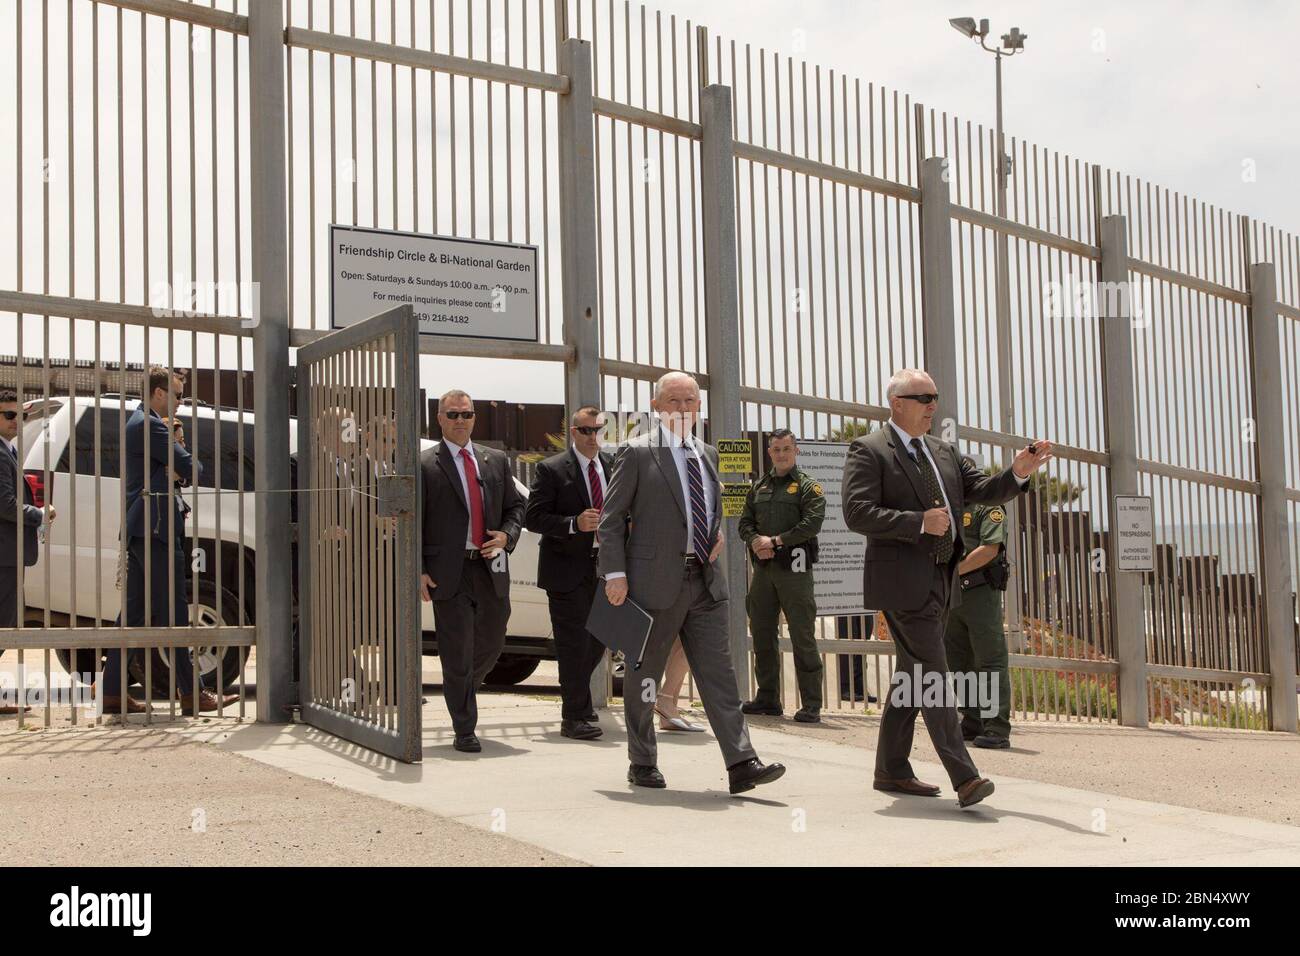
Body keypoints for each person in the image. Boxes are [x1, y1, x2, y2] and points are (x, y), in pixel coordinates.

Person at [840, 368, 1051, 808]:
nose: (933, 404)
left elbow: (983, 490)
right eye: (924, 397)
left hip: (943, 581)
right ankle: (965, 777)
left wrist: (1017, 472)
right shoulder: (870, 450)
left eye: (936, 396)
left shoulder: (945, 451)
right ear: (897, 402)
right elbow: (857, 512)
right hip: (901, 583)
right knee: (934, 675)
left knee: (912, 678)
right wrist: (916, 522)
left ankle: (891, 769)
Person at [598, 370, 786, 794]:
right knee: (645, 675)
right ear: (657, 407)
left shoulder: (708, 454)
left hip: (704, 581)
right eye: (674, 401)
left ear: (699, 407)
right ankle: (642, 761)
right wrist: (615, 575)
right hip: (650, 583)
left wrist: (713, 533)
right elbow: (610, 522)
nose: (683, 409)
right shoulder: (636, 453)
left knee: (719, 674)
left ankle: (742, 763)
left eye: (690, 402)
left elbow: (704, 508)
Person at [100, 368, 235, 715]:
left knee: (133, 613)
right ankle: (192, 693)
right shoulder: (151, 426)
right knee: (174, 611)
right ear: (158, 393)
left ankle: (112, 691)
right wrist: (177, 453)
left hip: (144, 528)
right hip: (156, 530)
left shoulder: (139, 422)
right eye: (177, 395)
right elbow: (193, 470)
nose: (180, 403)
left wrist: (171, 466)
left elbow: (176, 472)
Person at [419, 389, 524, 753]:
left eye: (466, 414)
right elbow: (412, 521)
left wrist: (506, 536)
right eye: (453, 414)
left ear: (475, 417)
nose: (460, 420)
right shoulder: (424, 464)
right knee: (456, 648)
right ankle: (464, 726)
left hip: (490, 567)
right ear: (439, 418)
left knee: (493, 643)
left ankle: (463, 691)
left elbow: (516, 508)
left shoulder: (494, 460)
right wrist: (418, 568)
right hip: (448, 571)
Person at [525, 405, 613, 741]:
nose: (594, 437)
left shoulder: (612, 466)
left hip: (605, 568)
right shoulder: (552, 470)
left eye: (599, 430)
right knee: (573, 644)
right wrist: (573, 524)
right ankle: (573, 716)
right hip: (566, 569)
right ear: (573, 433)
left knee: (602, 638)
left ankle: (579, 701)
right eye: (587, 431)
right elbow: (533, 518)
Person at [738, 428, 826, 722]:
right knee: (762, 632)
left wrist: (774, 541)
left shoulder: (807, 487)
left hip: (795, 571)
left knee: (802, 635)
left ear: (796, 450)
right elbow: (744, 522)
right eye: (776, 450)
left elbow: (811, 524)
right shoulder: (758, 487)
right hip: (764, 571)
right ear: (769, 452)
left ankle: (811, 703)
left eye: (786, 449)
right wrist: (754, 541)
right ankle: (767, 698)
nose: (781, 454)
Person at [0, 389, 54, 714]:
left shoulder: (10, 450)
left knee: (6, 620)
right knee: (5, 621)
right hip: (4, 554)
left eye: (20, 415)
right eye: (8, 415)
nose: (16, 421)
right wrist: (40, 514)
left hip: (8, 552)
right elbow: (5, 505)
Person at [944, 498, 1013, 749]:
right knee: (958, 660)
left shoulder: (989, 507)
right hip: (953, 595)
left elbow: (989, 550)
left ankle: (995, 726)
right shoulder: (949, 506)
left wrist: (953, 571)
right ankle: (972, 719)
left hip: (980, 593)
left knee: (989, 659)